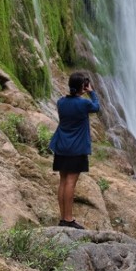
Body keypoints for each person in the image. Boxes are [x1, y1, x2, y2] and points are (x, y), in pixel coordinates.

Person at [48, 71, 100, 229]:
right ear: (82, 87)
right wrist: (91, 92)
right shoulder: (84, 104)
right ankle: (69, 219)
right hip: (76, 148)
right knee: (71, 182)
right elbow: (97, 107)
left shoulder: (61, 102)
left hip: (61, 145)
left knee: (63, 181)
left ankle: (63, 217)